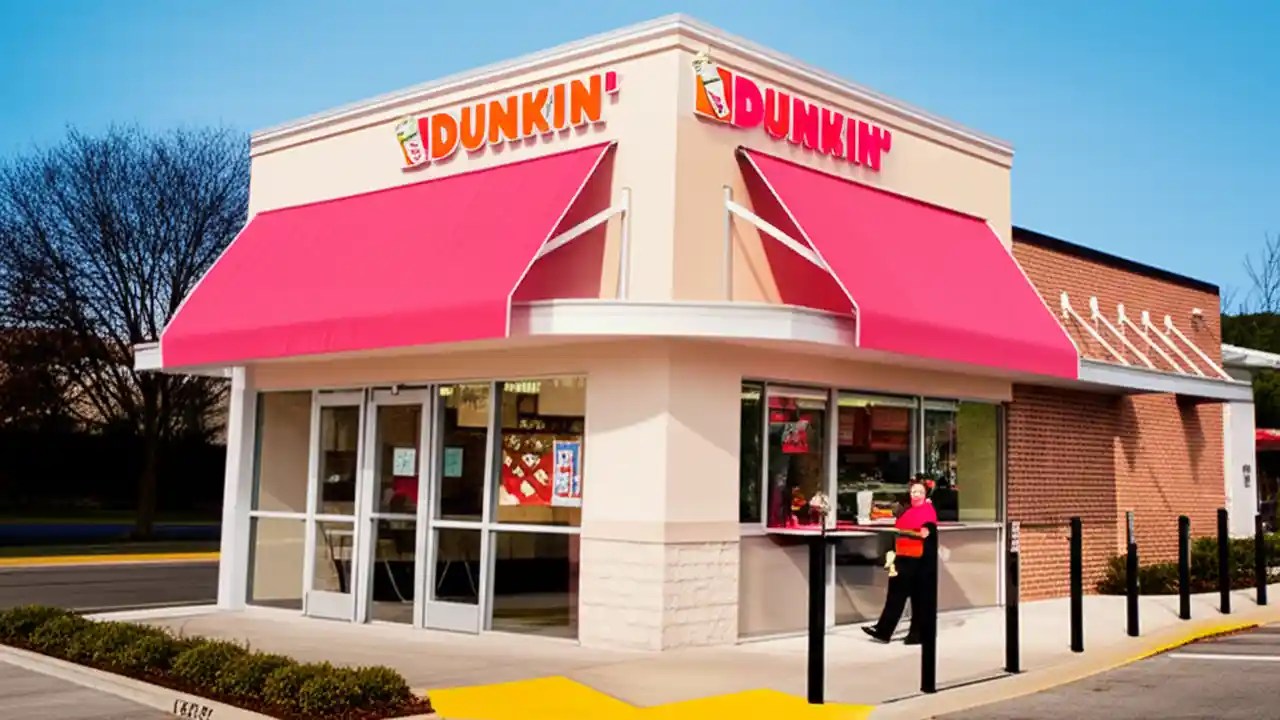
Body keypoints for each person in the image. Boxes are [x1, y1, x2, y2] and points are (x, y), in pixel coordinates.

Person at [863, 478, 938, 644]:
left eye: (919, 492)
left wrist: (903, 532)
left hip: (915, 560)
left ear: (925, 494)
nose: (916, 495)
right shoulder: (909, 510)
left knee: (912, 597)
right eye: (913, 492)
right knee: (898, 596)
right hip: (903, 556)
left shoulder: (927, 511)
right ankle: (886, 630)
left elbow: (924, 534)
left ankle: (912, 634)